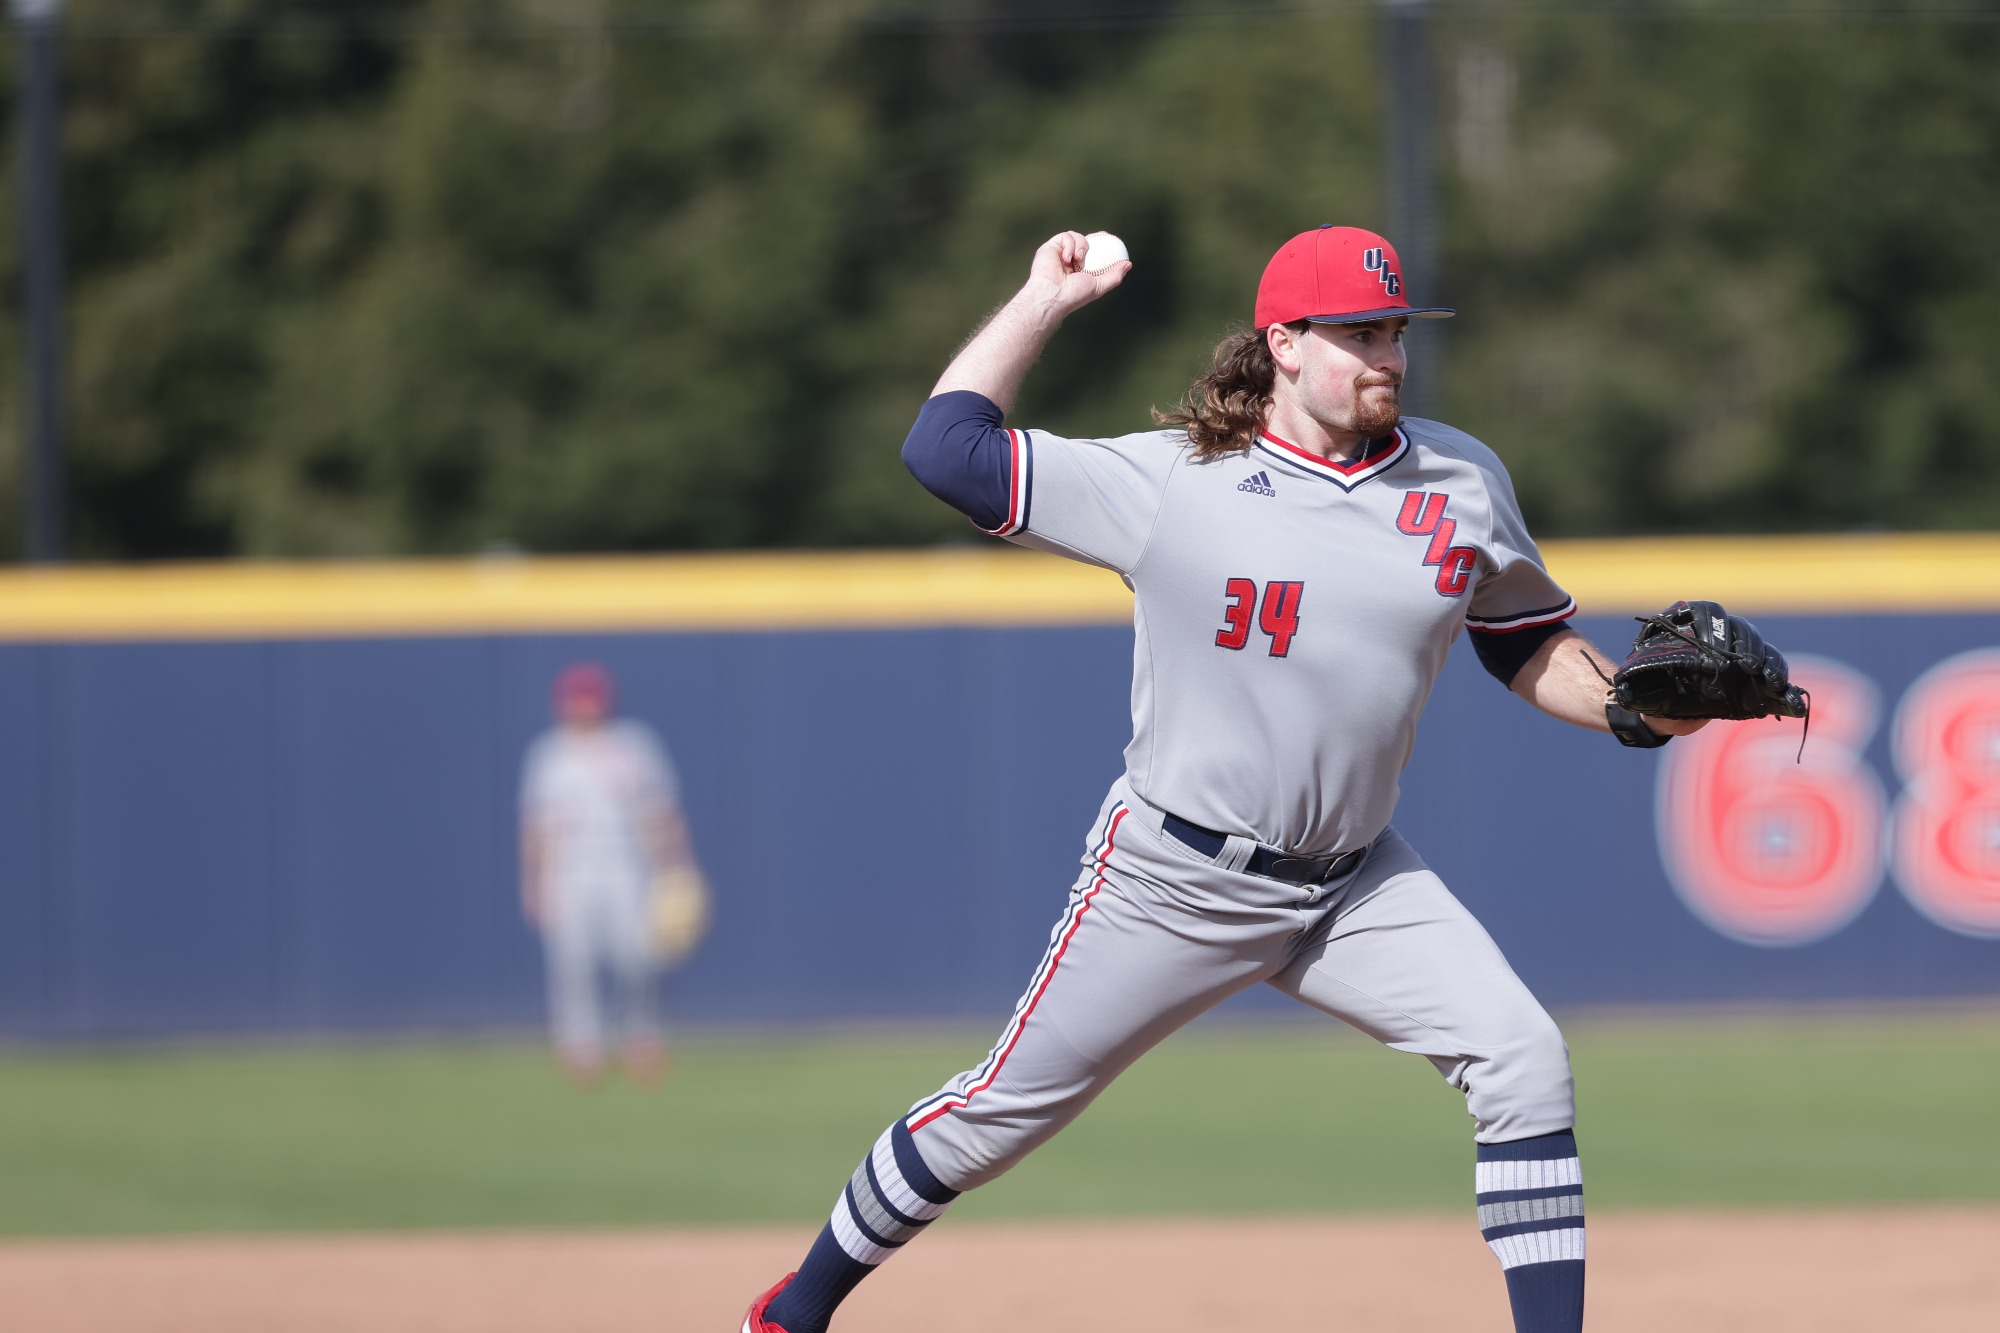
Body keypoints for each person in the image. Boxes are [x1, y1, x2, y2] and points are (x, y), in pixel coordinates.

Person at [739, 225, 1712, 1333]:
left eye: (1394, 330)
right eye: (1357, 333)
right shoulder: (1175, 480)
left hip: (1352, 884)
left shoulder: (1460, 477)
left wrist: (1631, 707)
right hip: (1173, 878)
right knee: (992, 1118)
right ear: (1284, 343)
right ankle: (792, 1312)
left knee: (1523, 1058)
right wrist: (1043, 299)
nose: (1386, 355)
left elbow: (1522, 638)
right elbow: (944, 449)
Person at [519, 661, 697, 1085]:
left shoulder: (634, 744)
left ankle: (642, 1039)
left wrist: (678, 866)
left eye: (590, 700)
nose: (584, 709)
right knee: (573, 963)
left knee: (639, 957)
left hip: (626, 863)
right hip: (569, 868)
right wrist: (533, 882)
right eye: (576, 701)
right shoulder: (549, 754)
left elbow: (662, 810)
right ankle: (581, 1047)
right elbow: (535, 826)